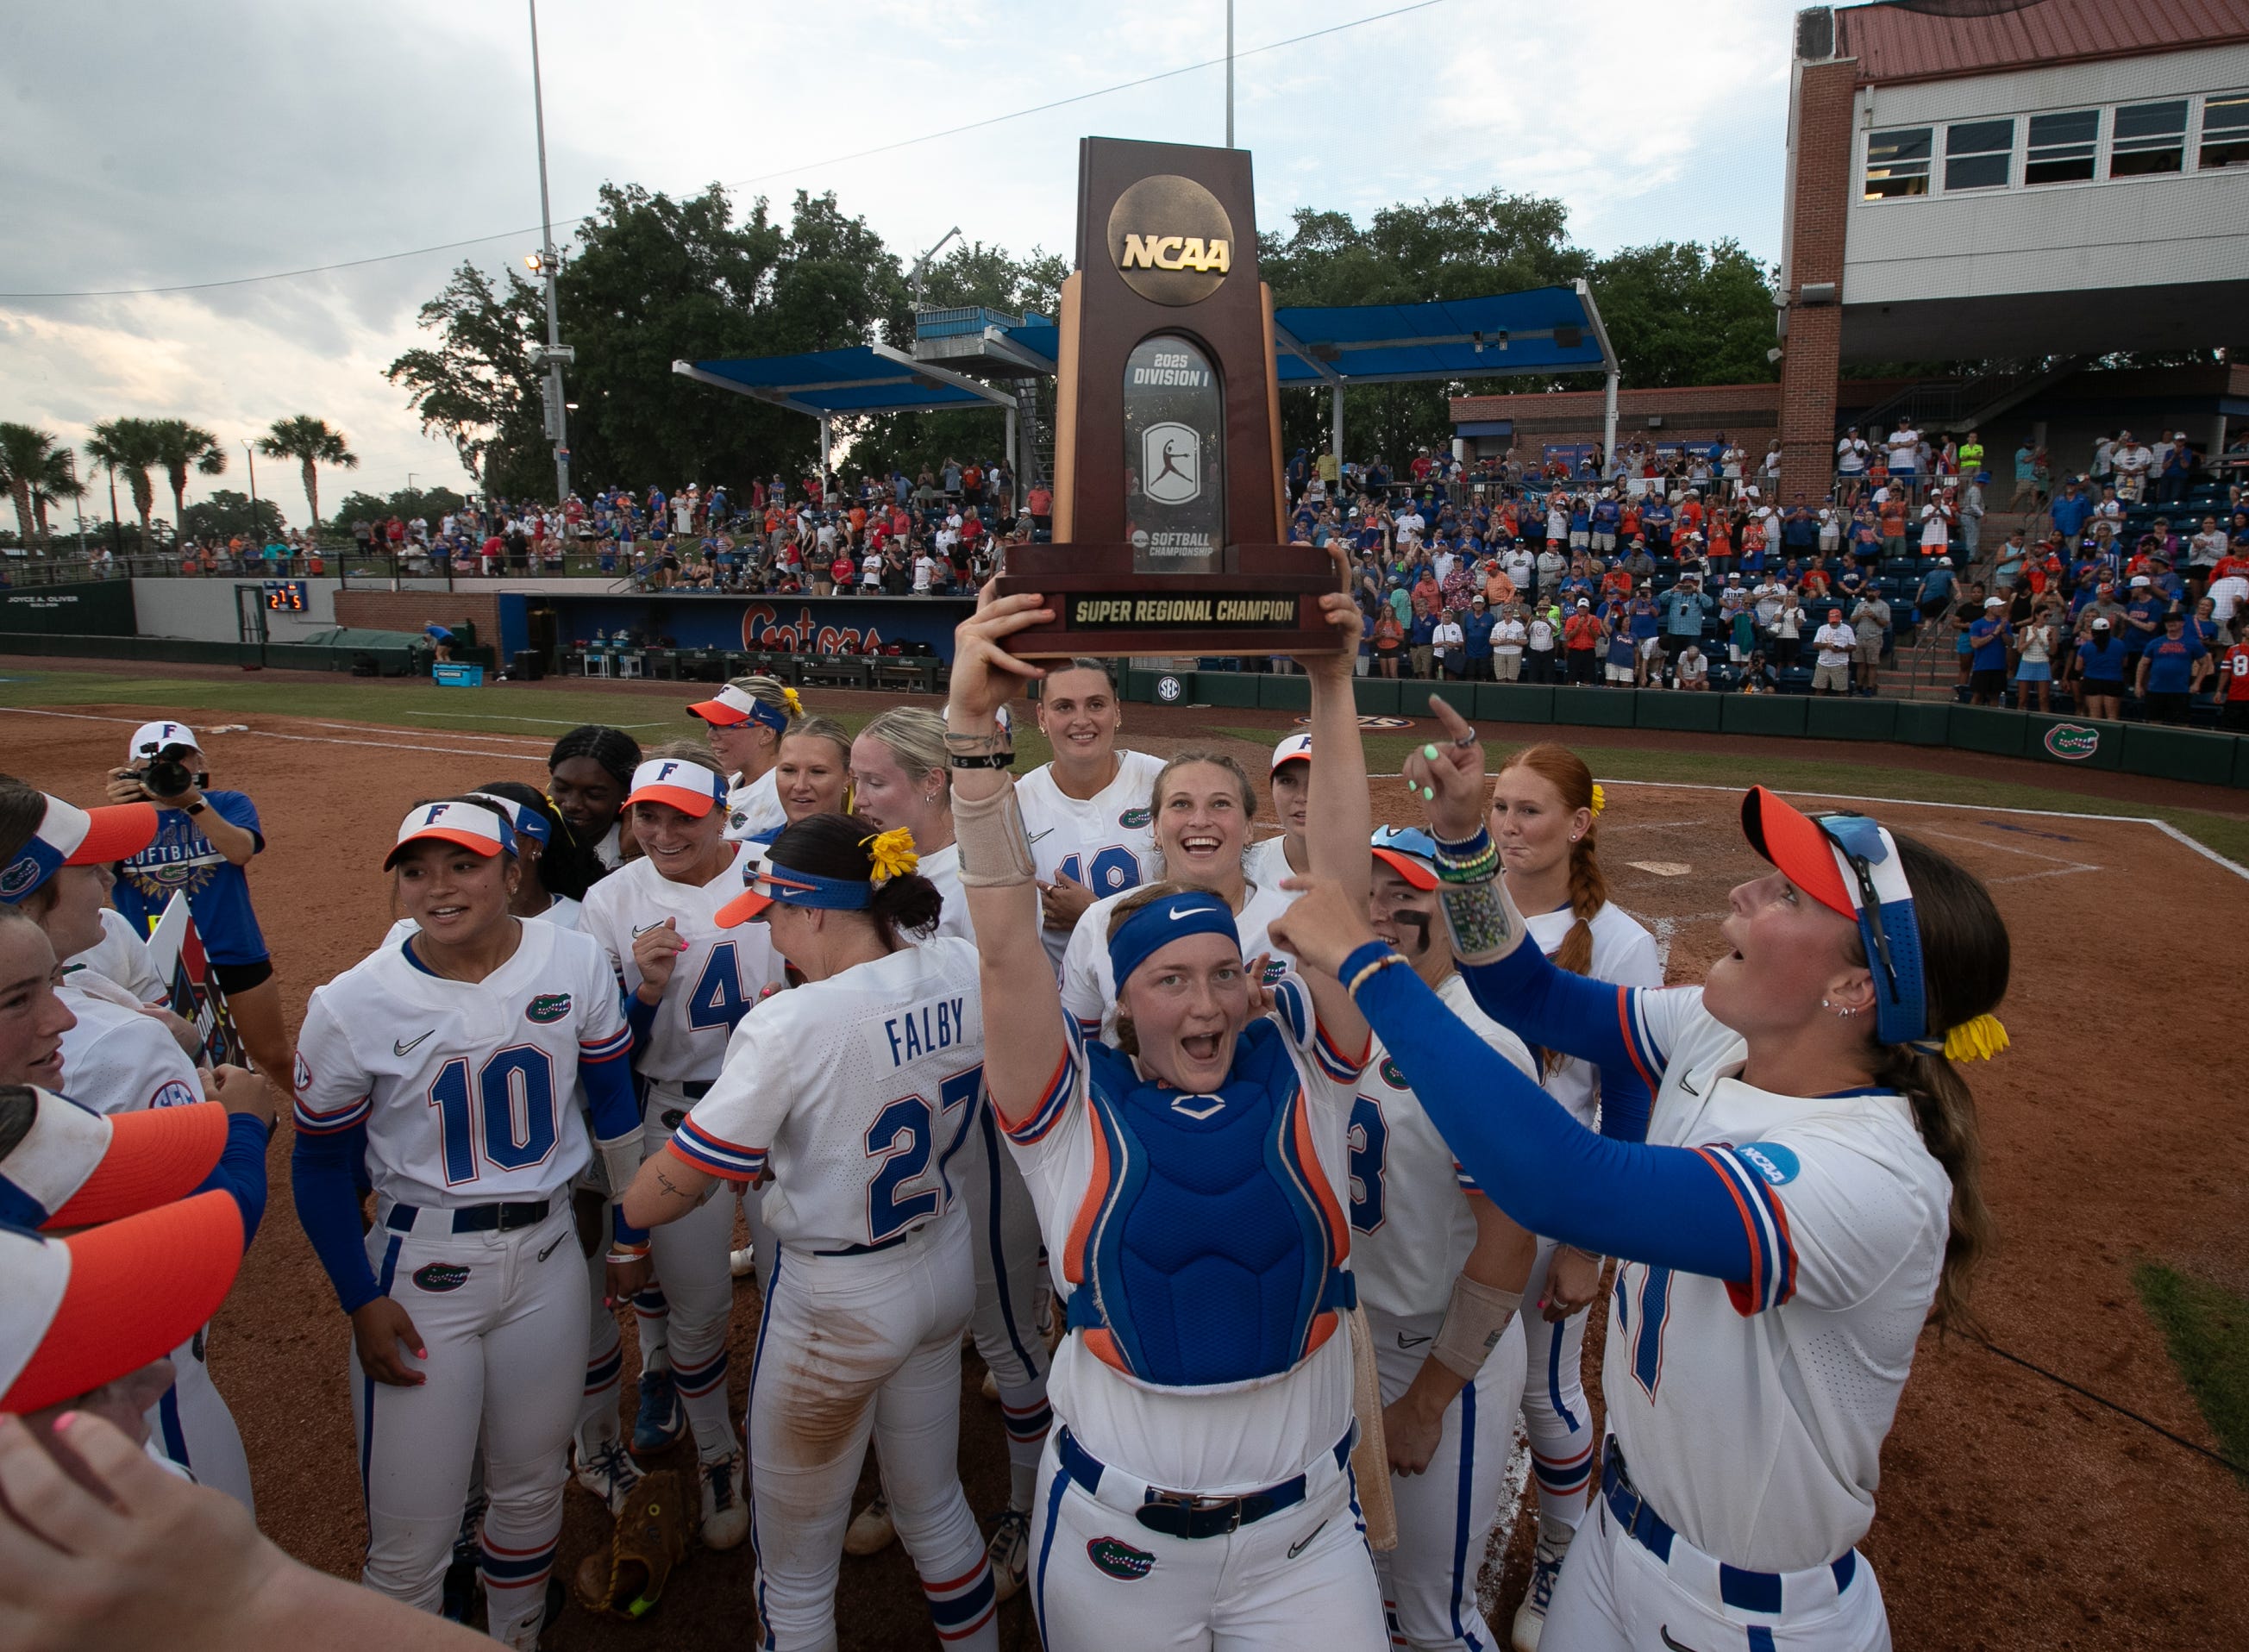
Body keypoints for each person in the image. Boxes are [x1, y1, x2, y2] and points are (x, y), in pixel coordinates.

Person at [1271, 701, 2011, 1652]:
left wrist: (1366, 965)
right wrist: (1462, 838)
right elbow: (1527, 990)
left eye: (1787, 895)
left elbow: (1560, 1185)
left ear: (1857, 987)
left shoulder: (1864, 1173)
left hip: (1741, 1613)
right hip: (1619, 1545)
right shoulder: (1722, 1033)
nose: (1744, 893)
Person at [943, 572, 1388, 1651]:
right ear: (1114, 997)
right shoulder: (1061, 1115)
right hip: (1116, 1544)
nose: (1202, 1003)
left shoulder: (1310, 1073)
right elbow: (1004, 937)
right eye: (1168, 980)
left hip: (1307, 1540)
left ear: (1253, 981)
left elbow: (1340, 879)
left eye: (1221, 974)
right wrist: (969, 726)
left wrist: (1332, 687)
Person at [621, 816, 1001, 1651]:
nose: (768, 929)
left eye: (773, 912)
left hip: (837, 1300)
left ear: (816, 911)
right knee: (933, 1507)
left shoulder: (793, 1020)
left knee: (792, 1576)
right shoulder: (958, 964)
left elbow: (661, 1196)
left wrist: (630, 1193)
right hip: (939, 1264)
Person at [290, 798, 647, 1649]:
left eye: (462, 865)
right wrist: (357, 1296)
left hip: (551, 1250)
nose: (438, 887)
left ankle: (514, 1633)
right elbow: (318, 1165)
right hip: (421, 1270)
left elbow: (611, 1104)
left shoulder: (575, 959)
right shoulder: (352, 1002)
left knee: (530, 1488)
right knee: (412, 1537)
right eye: (416, 869)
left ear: (511, 871)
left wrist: (630, 1226)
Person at [847, 710, 1051, 1597]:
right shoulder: (872, 869)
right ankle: (918, 1489)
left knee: (1004, 1334)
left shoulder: (978, 878)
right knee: (908, 1335)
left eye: (875, 781)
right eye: (857, 780)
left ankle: (1028, 1502)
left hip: (978, 1146)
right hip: (902, 1146)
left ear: (934, 781)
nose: (859, 798)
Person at [1486, 748, 1664, 1650]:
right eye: (1500, 808)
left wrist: (1592, 1240)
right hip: (1443, 1194)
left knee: (1544, 1389)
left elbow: (1628, 1096)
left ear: (1578, 823)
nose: (1508, 826)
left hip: (1550, 1200)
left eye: (1528, 811)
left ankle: (1559, 1549)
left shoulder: (1623, 939)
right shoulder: (1462, 906)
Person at [1351, 826, 1541, 1652]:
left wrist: (1425, 1404)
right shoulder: (1343, 1009)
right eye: (1373, 891)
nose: (1384, 910)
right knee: (1357, 1590)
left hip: (1432, 1360)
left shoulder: (1483, 1042)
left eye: (1407, 894)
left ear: (1453, 912)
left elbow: (1509, 1247)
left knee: (1431, 1618)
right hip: (1347, 1344)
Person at [579, 752, 775, 1544]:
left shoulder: (772, 869)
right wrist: (646, 991)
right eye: (646, 816)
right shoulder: (610, 898)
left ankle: (784, 1439)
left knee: (793, 1295)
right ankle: (719, 1454)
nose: (661, 833)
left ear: (723, 815)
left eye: (681, 816)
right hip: (680, 1113)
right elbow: (605, 1053)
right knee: (699, 1309)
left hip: (779, 1111)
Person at [1058, 744, 1297, 1045]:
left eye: (1220, 804)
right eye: (1181, 804)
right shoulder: (1100, 923)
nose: (1199, 820)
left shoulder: (1294, 929)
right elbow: (1075, 1054)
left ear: (1249, 827)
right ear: (1156, 828)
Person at [102, 721, 289, 1088]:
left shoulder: (228, 803)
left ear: (198, 762)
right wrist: (116, 818)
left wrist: (193, 803)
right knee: (181, 1065)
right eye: (153, 761)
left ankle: (322, 1125)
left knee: (275, 1056)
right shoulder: (118, 820)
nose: (173, 767)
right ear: (132, 769)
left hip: (233, 951)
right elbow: (99, 880)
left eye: (181, 757)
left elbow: (239, 852)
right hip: (156, 967)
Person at [688, 676, 802, 842]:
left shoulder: (783, 796)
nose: (710, 735)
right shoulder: (733, 782)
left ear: (766, 733)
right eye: (710, 725)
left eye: (723, 726)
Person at [543, 726, 642, 897]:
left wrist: (633, 855)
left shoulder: (647, 846)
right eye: (560, 787)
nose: (571, 804)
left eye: (594, 794)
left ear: (627, 792)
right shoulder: (530, 838)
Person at [2135, 610, 2208, 726]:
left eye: (2174, 621)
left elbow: (2205, 663)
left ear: (2182, 623)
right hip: (2155, 690)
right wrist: (2138, 685)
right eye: (2168, 621)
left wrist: (2197, 683)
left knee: (2181, 724)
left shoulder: (2192, 643)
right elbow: (2143, 663)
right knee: (2153, 722)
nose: (2171, 624)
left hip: (2180, 691)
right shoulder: (2155, 642)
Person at [2075, 618, 2128, 721]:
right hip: (2114, 681)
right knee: (2112, 716)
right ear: (2109, 630)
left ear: (2093, 631)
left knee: (2094, 716)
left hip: (2092, 681)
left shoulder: (2086, 646)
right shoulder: (2120, 644)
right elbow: (2125, 663)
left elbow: (2078, 667)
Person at [2014, 604, 2058, 715]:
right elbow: (2020, 649)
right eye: (2045, 615)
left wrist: (2050, 639)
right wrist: (2033, 638)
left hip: (2042, 663)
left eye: (2049, 616)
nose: (2047, 618)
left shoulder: (2051, 630)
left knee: (2043, 699)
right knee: (2022, 698)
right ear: (2037, 615)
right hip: (2027, 663)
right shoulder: (2025, 629)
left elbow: (2053, 652)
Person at [1812, 608, 1856, 697]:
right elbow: (1815, 645)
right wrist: (1826, 646)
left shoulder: (1847, 629)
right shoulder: (1822, 629)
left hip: (1840, 664)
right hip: (1823, 664)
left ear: (1840, 619)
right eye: (1832, 621)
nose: (1834, 623)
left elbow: (1853, 646)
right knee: (1819, 689)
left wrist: (1841, 649)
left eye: (1836, 621)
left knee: (1842, 691)